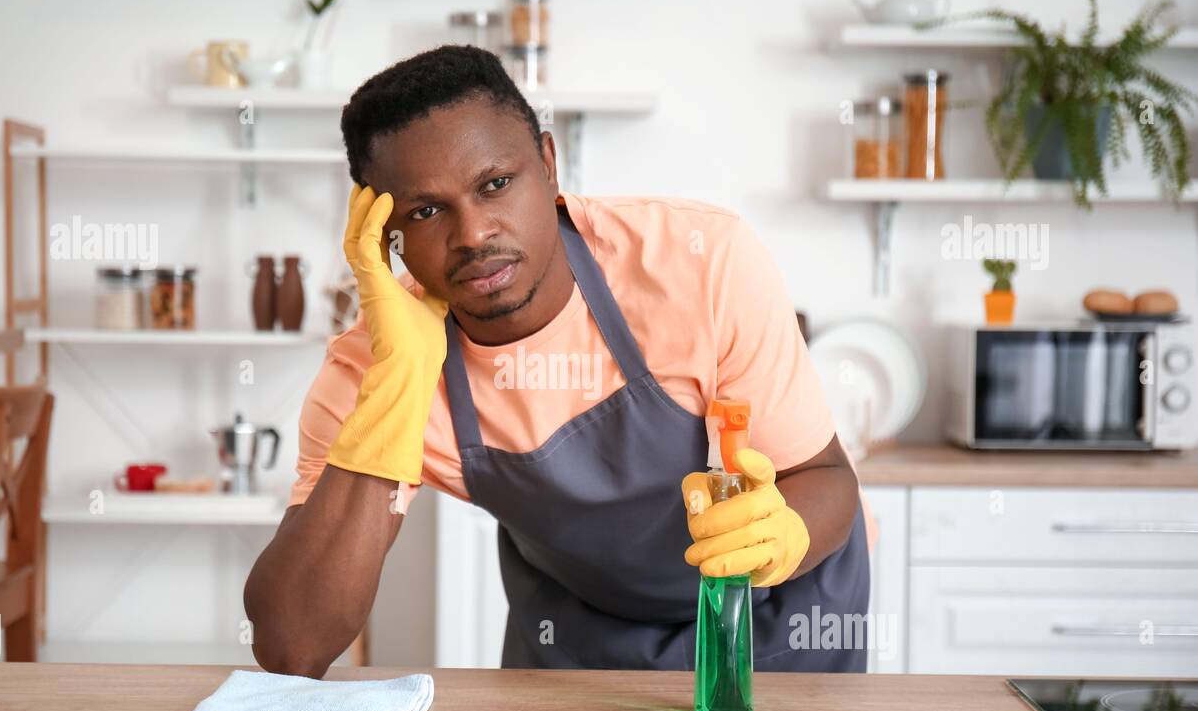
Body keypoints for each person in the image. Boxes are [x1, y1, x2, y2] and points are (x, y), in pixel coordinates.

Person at [244, 45, 869, 676]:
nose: (474, 234)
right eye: (426, 212)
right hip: (578, 639)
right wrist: (400, 380)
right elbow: (293, 647)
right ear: (384, 234)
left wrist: (782, 539)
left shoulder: (701, 262)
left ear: (547, 163)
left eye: (495, 185)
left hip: (770, 617)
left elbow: (826, 477)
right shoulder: (373, 371)